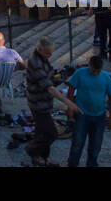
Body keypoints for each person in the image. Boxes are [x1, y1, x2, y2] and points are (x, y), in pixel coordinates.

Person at [25, 37, 80, 167]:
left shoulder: (42, 59)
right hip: (38, 103)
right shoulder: (35, 63)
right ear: (40, 50)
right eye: (48, 53)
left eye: (51, 53)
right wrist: (69, 102)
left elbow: (50, 78)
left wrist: (60, 77)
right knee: (51, 133)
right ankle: (32, 150)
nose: (50, 55)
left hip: (44, 101)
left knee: (41, 132)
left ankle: (42, 159)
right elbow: (49, 87)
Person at [66, 54, 111, 167]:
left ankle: (92, 164)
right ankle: (72, 164)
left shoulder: (106, 78)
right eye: (93, 70)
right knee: (77, 143)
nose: (95, 73)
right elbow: (71, 89)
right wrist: (70, 108)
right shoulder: (80, 73)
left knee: (96, 145)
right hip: (81, 114)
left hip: (99, 116)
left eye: (98, 71)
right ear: (89, 66)